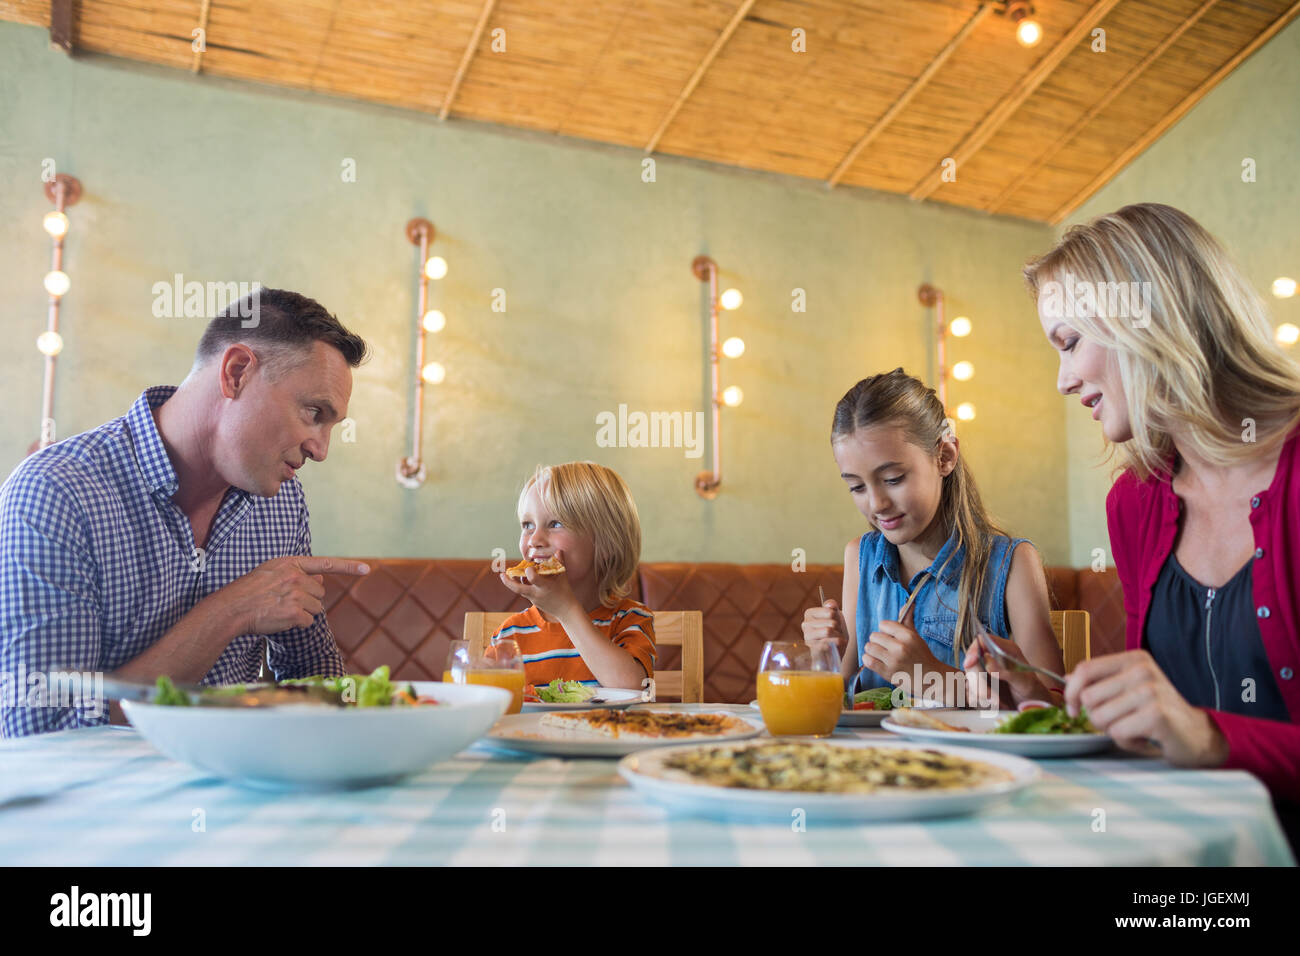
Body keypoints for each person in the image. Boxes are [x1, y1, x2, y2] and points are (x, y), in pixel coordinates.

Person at [1010, 202, 1299, 835]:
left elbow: (1194, 730)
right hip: (1180, 849)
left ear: (1145, 319)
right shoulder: (1135, 503)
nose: (1062, 380)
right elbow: (1155, 717)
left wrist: (1212, 737)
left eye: (1069, 342)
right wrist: (1032, 695)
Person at [0, 289, 371, 737]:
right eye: (314, 413)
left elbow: (315, 682)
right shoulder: (56, 493)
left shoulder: (283, 503)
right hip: (102, 801)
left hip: (240, 788)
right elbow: (45, 728)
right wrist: (230, 611)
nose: (321, 449)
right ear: (236, 373)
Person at [802, 368, 1061, 706]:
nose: (877, 503)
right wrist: (824, 657)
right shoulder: (859, 557)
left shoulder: (1010, 564)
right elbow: (841, 701)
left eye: (893, 478)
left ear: (945, 457)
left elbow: (1052, 710)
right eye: (856, 486)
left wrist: (931, 678)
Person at [494, 462, 654, 690]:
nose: (534, 539)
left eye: (555, 523)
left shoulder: (630, 620)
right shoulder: (511, 634)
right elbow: (487, 703)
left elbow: (632, 689)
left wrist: (566, 611)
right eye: (528, 525)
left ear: (606, 542)